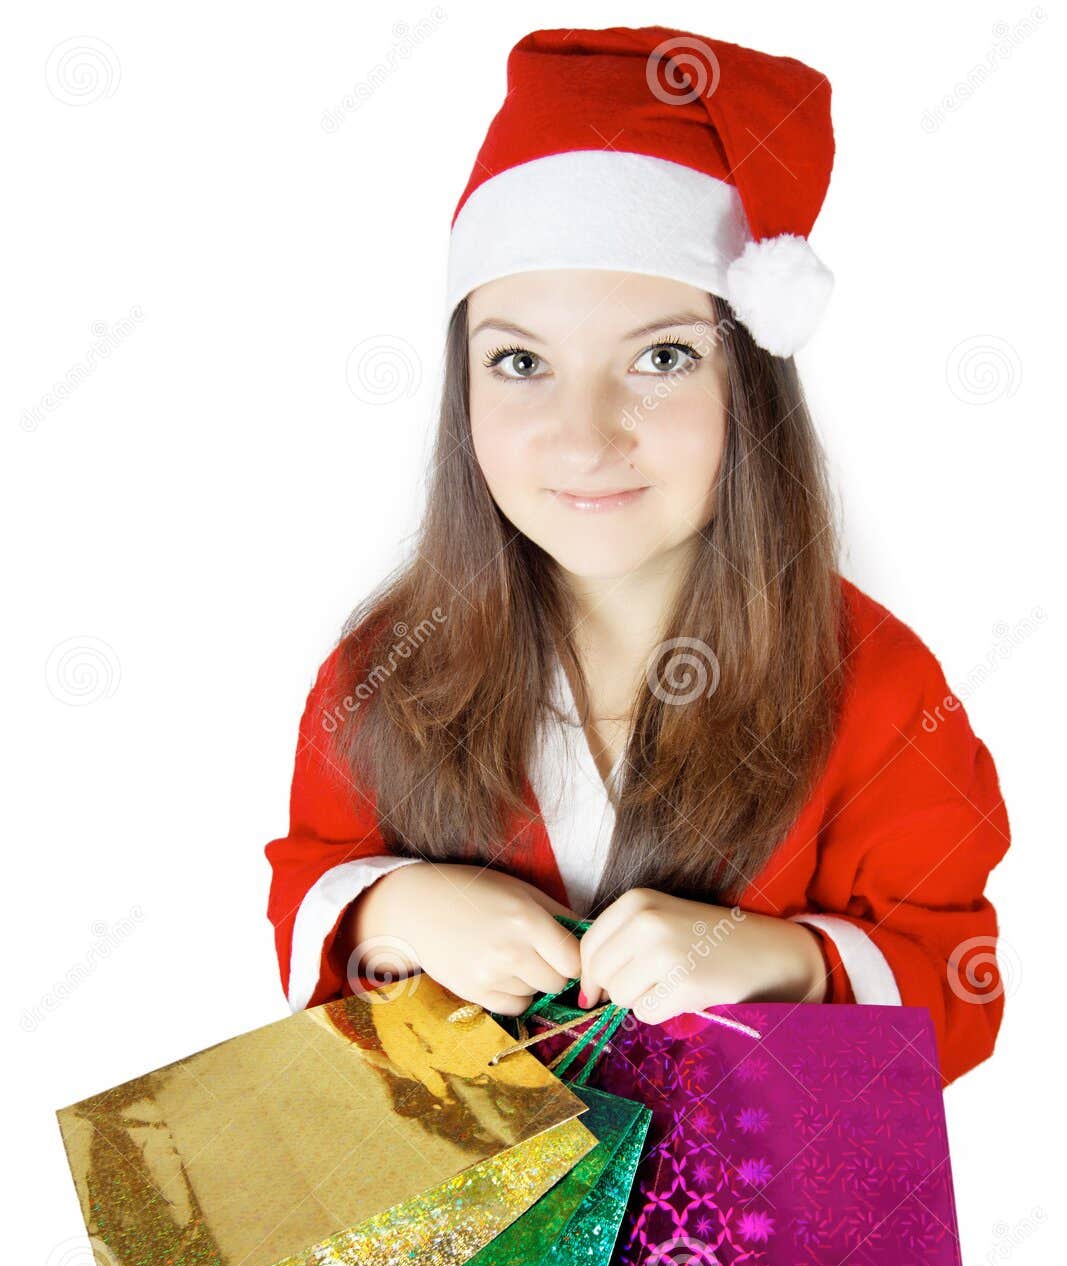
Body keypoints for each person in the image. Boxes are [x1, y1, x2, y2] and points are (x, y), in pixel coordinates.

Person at [265, 26, 1010, 1089]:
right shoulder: (382, 669)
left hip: (756, 1244)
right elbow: (310, 893)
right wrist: (390, 912)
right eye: (519, 361)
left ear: (745, 384)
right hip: (460, 1249)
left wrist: (790, 963)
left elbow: (959, 986)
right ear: (460, 389)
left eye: (659, 357)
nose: (584, 435)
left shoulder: (880, 688)